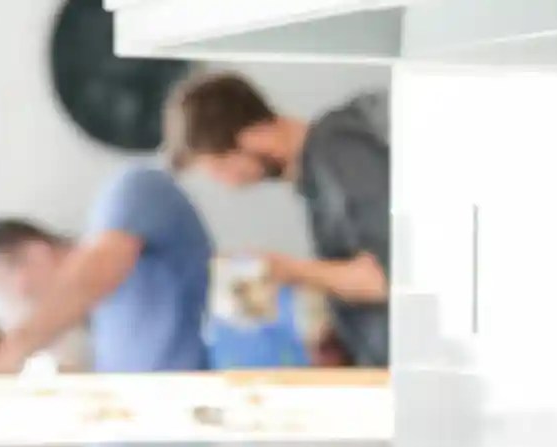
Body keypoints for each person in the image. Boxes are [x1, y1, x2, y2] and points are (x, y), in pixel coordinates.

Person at [163, 72, 391, 367]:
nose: (229, 184)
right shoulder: (316, 178)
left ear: (253, 138)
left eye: (221, 167)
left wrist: (287, 270)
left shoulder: (337, 149)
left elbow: (390, 277)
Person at [0, 165, 212, 373]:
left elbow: (96, 271)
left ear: (36, 252)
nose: (15, 298)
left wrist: (10, 351)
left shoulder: (132, 188)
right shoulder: (98, 312)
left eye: (3, 284)